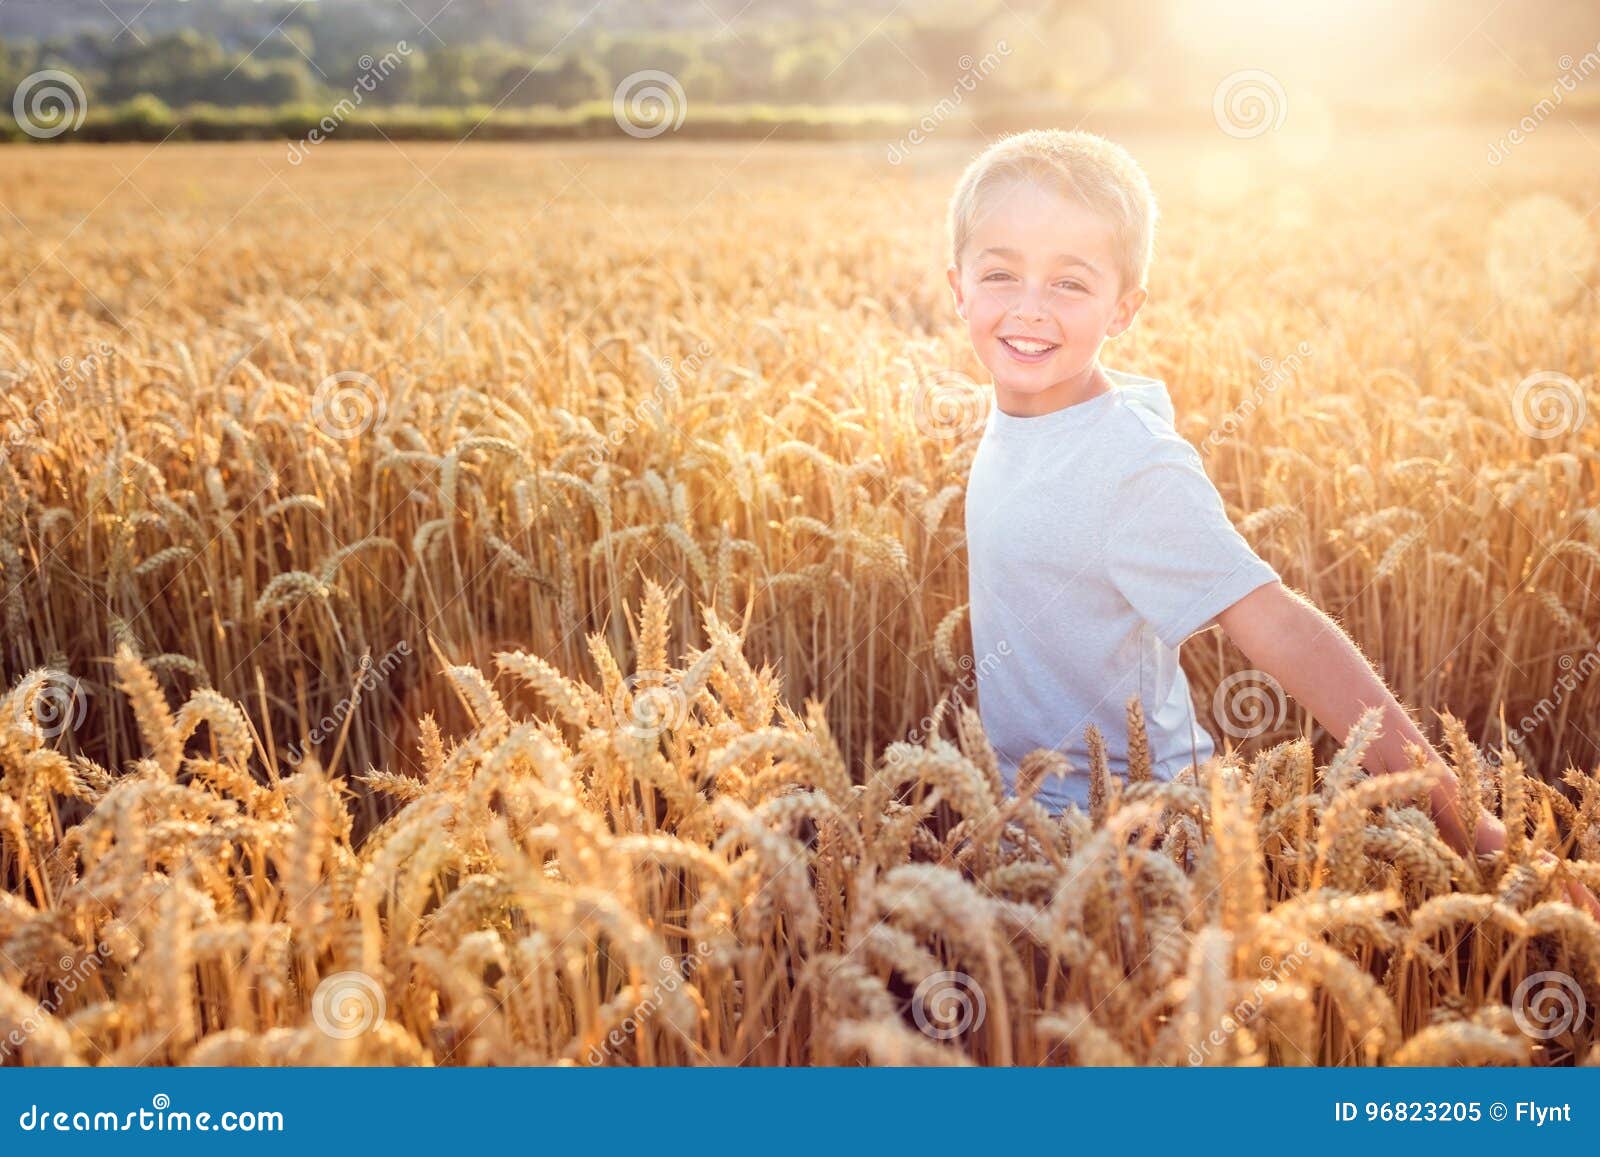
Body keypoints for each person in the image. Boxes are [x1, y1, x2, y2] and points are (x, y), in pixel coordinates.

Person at [947, 128, 1600, 919]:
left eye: (1069, 284)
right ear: (958, 287)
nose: (1028, 308)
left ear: (1125, 308)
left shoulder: (1132, 467)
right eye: (1001, 274)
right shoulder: (1029, 402)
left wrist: (1465, 820)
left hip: (1136, 848)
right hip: (1029, 828)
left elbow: (1282, 628)